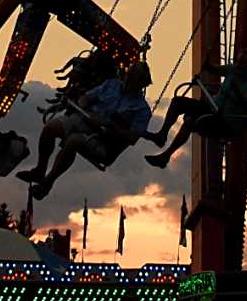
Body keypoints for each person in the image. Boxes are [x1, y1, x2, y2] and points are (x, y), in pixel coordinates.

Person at [19, 58, 154, 200]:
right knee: (50, 128)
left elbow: (133, 137)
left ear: (141, 83)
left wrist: (110, 127)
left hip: (104, 141)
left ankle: (47, 183)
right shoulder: (111, 85)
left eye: (132, 77)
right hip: (84, 119)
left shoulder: (141, 109)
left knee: (73, 141)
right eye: (129, 74)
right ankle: (40, 170)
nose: (128, 78)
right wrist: (83, 106)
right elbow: (86, 98)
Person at [144, 64, 247, 168]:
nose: (238, 66)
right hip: (212, 108)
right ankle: (162, 135)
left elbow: (246, 103)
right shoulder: (232, 71)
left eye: (242, 64)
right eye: (239, 63)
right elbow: (215, 69)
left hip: (225, 120)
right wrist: (208, 65)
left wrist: (235, 90)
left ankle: (166, 156)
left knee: (191, 121)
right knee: (177, 102)